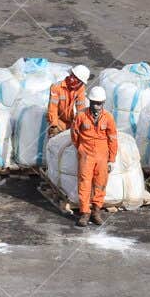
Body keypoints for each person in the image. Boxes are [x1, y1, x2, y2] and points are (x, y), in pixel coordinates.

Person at [70, 86, 117, 227]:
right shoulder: (81, 115)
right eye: (94, 103)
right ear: (89, 102)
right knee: (84, 183)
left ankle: (96, 211)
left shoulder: (108, 117)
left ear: (103, 103)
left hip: (103, 155)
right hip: (86, 154)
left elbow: (113, 138)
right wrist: (81, 149)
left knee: (100, 183)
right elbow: (74, 135)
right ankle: (84, 213)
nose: (97, 106)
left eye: (99, 103)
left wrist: (112, 159)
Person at [47, 64, 90, 136]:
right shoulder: (56, 87)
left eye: (76, 78)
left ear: (81, 82)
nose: (72, 79)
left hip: (71, 121)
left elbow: (81, 109)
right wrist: (54, 125)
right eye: (72, 76)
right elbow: (52, 108)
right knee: (54, 134)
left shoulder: (80, 88)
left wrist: (81, 124)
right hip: (58, 120)